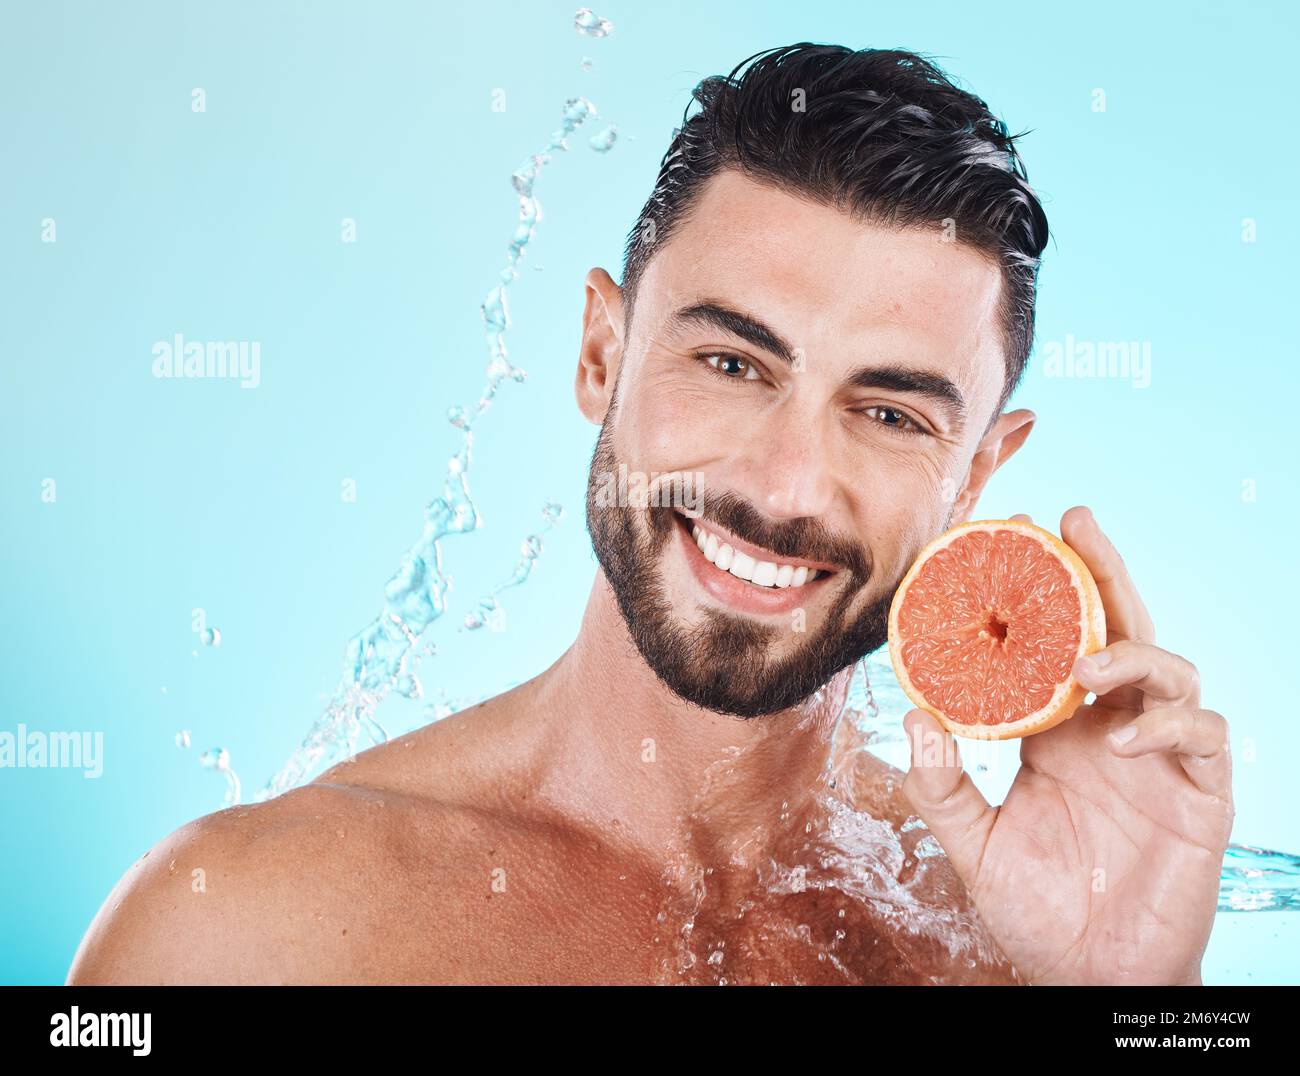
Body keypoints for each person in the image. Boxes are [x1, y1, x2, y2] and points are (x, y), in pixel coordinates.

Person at [68, 43, 1232, 986]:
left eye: (887, 414)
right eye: (730, 364)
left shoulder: (1010, 931)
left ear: (974, 474)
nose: (783, 487)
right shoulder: (246, 934)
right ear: (599, 351)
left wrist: (1139, 999)